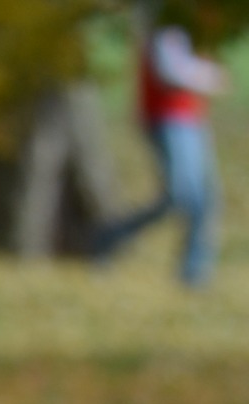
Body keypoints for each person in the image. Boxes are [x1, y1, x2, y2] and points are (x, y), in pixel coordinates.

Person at [94, 1, 232, 288]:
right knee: (181, 197)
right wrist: (210, 78)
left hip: (188, 117)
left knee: (204, 198)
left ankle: (194, 275)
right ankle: (107, 239)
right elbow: (168, 71)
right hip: (167, 117)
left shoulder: (186, 18)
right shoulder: (164, 16)